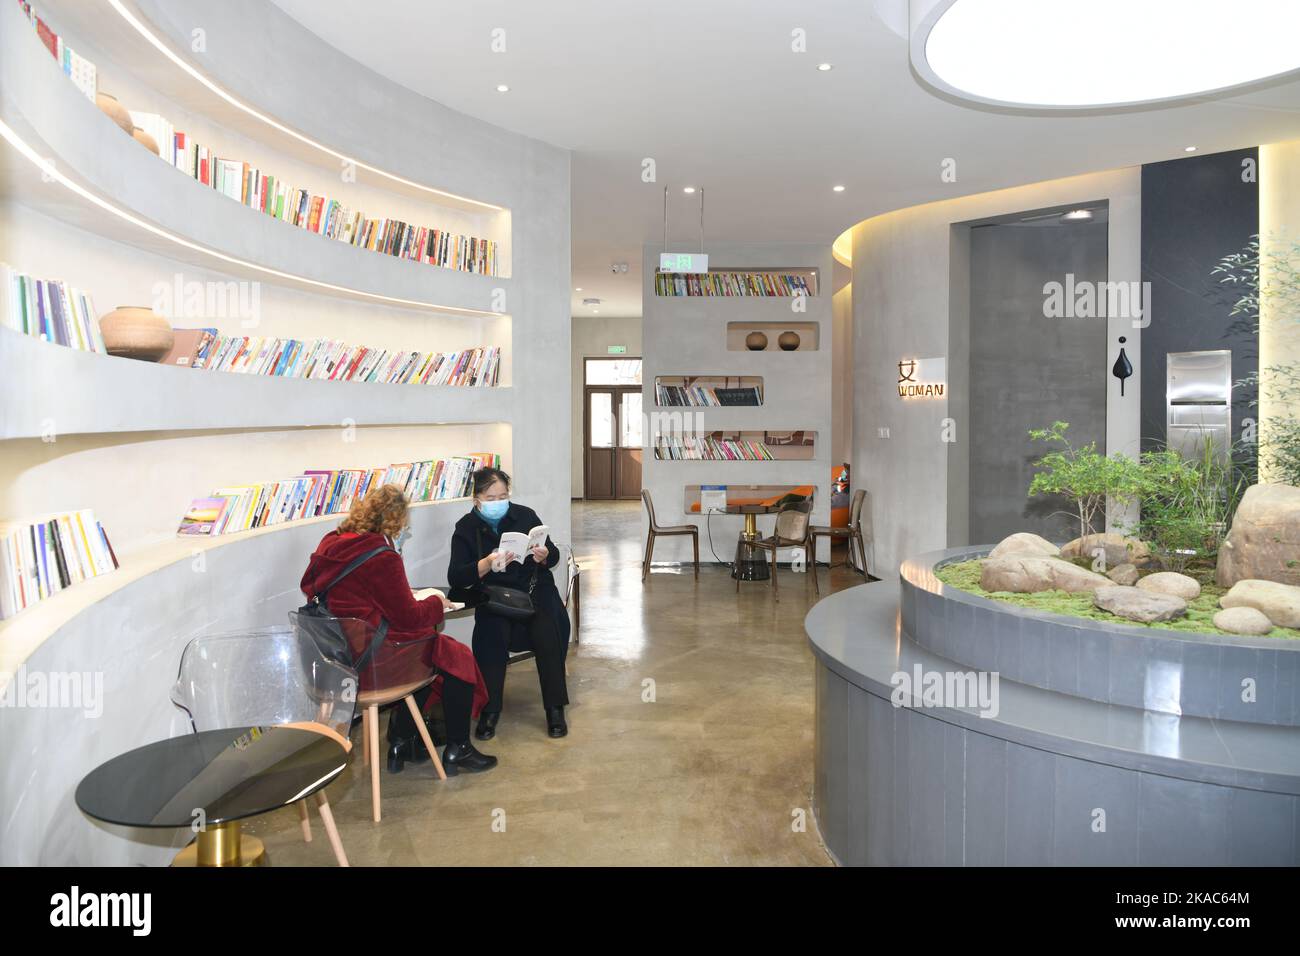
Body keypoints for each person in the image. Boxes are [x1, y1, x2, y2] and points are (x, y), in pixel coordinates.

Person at [300, 484, 497, 776]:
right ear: (396, 520)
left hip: (333, 658)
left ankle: (401, 743)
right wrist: (436, 601)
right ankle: (458, 749)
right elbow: (409, 617)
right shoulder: (382, 556)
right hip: (371, 663)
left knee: (435, 655)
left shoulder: (332, 543)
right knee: (455, 657)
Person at [448, 467, 571, 739]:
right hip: (494, 598)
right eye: (490, 498)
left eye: (502, 496)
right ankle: (490, 712)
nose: (498, 502)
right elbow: (456, 577)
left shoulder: (525, 515)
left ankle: (555, 709)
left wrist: (544, 555)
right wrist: (486, 563)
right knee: (492, 635)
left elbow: (553, 557)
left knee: (547, 631)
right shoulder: (466, 528)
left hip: (532, 592)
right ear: (476, 498)